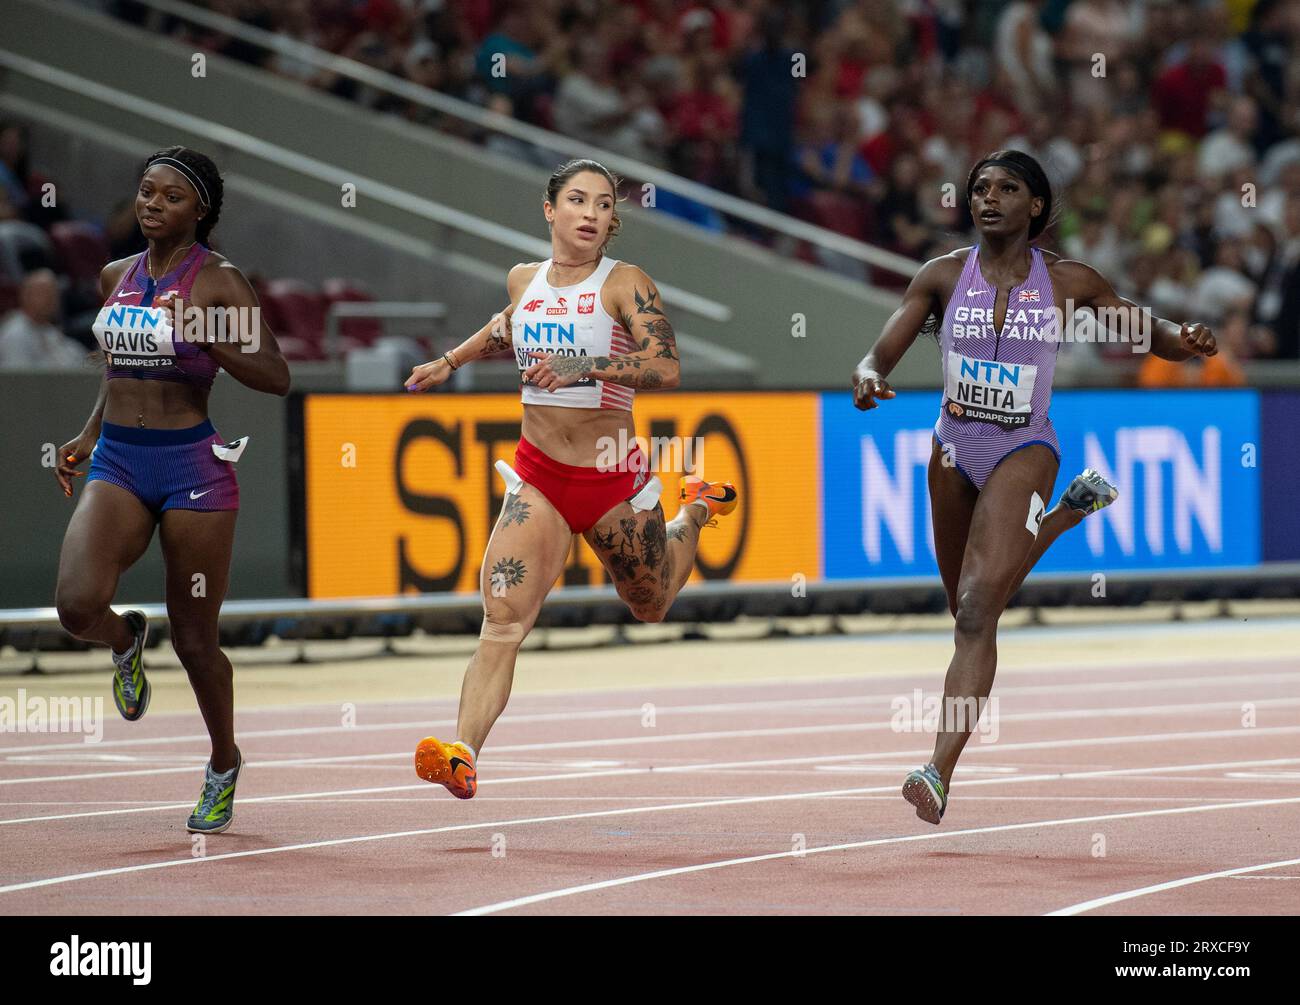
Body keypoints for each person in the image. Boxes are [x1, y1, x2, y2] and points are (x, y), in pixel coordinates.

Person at [850, 150, 1218, 825]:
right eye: (980, 188)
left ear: (1036, 206)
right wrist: (870, 372)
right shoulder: (940, 275)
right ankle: (1066, 515)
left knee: (973, 612)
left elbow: (1145, 328)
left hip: (1025, 447)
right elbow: (883, 348)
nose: (989, 198)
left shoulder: (1069, 282)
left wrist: (1184, 339)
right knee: (967, 603)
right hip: (952, 448)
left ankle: (937, 769)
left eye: (1007, 188)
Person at [403, 158, 738, 799]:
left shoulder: (625, 284)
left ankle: (692, 513)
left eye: (605, 205)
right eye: (578, 201)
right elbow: (509, 327)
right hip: (541, 480)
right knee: (502, 621)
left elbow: (666, 368)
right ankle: (463, 753)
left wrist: (587, 365)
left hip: (612, 478)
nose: (591, 213)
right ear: (549, 209)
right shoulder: (523, 279)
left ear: (613, 222)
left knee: (652, 605)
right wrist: (451, 360)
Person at [54, 147, 290, 834]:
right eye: (146, 192)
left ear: (200, 211)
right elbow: (118, 367)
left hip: (193, 468)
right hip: (121, 462)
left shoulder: (219, 283)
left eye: (171, 196)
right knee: (75, 605)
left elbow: (276, 375)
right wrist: (88, 432)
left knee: (195, 639)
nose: (153, 204)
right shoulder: (112, 277)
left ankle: (223, 761)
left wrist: (210, 337)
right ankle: (126, 637)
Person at [0, 269, 86, 369]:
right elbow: (18, 379)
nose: (50, 299)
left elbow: (79, 360)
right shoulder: (15, 332)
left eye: (54, 293)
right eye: (44, 293)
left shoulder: (50, 331)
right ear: (25, 296)